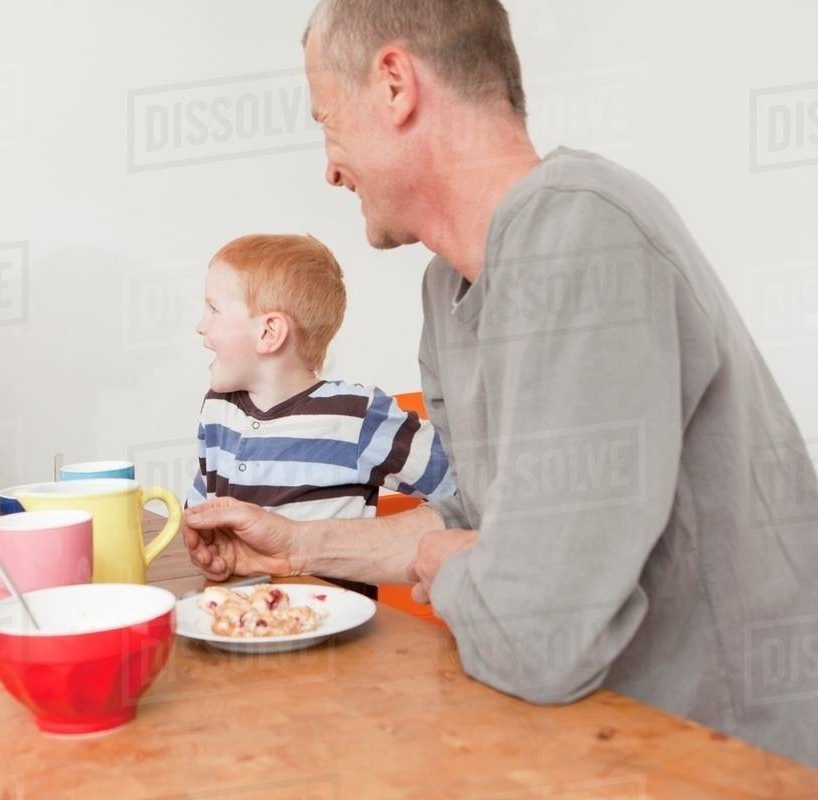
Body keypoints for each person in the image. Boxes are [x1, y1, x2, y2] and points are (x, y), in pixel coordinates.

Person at [183, 0, 818, 766]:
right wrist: (294, 546)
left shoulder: (584, 233)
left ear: (394, 85)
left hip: (722, 760)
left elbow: (536, 637)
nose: (329, 166)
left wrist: (443, 563)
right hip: (584, 744)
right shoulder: (445, 290)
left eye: (327, 120)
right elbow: (482, 516)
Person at [187, 233, 454, 596]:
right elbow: (201, 509)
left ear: (269, 332)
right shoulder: (219, 410)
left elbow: (465, 483)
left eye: (214, 309)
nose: (201, 325)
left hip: (338, 631)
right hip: (244, 620)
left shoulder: (356, 416)